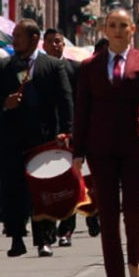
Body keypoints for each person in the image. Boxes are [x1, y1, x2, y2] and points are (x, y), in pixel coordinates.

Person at [74, 9, 139, 277]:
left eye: (123, 25)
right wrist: (78, 151)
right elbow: (82, 109)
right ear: (104, 30)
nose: (118, 30)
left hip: (138, 146)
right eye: (112, 25)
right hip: (102, 148)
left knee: (134, 208)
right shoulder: (89, 66)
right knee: (108, 213)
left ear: (132, 29)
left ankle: (135, 260)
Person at [0, 19, 72, 258]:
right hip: (13, 140)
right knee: (14, 190)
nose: (14, 41)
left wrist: (67, 130)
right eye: (14, 36)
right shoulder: (4, 66)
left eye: (19, 36)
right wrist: (5, 103)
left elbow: (65, 101)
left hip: (44, 140)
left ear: (34, 39)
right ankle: (16, 237)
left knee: (43, 189)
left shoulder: (53, 66)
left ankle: (44, 238)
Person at [42, 27, 86, 246]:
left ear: (63, 44)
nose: (54, 45)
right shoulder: (37, 69)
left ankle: (67, 229)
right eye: (50, 42)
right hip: (46, 133)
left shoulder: (75, 69)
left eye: (58, 41)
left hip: (70, 132)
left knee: (70, 180)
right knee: (49, 181)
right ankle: (48, 229)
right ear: (43, 45)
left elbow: (80, 102)